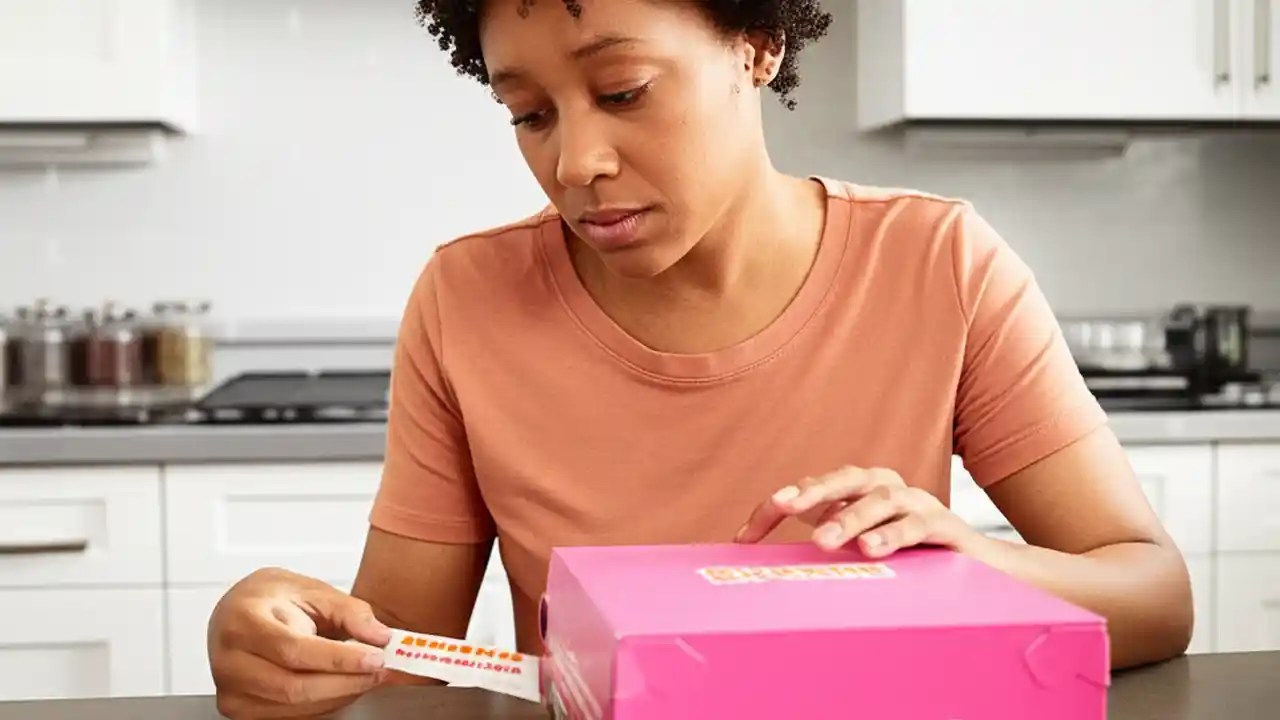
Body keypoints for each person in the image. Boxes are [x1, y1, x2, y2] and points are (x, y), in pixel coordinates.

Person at [207, 0, 1195, 717]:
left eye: (622, 91)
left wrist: (969, 564)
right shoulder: (465, 300)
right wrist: (283, 642)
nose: (574, 163)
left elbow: (1153, 596)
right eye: (530, 114)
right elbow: (397, 660)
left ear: (755, 46)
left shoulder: (937, 262)